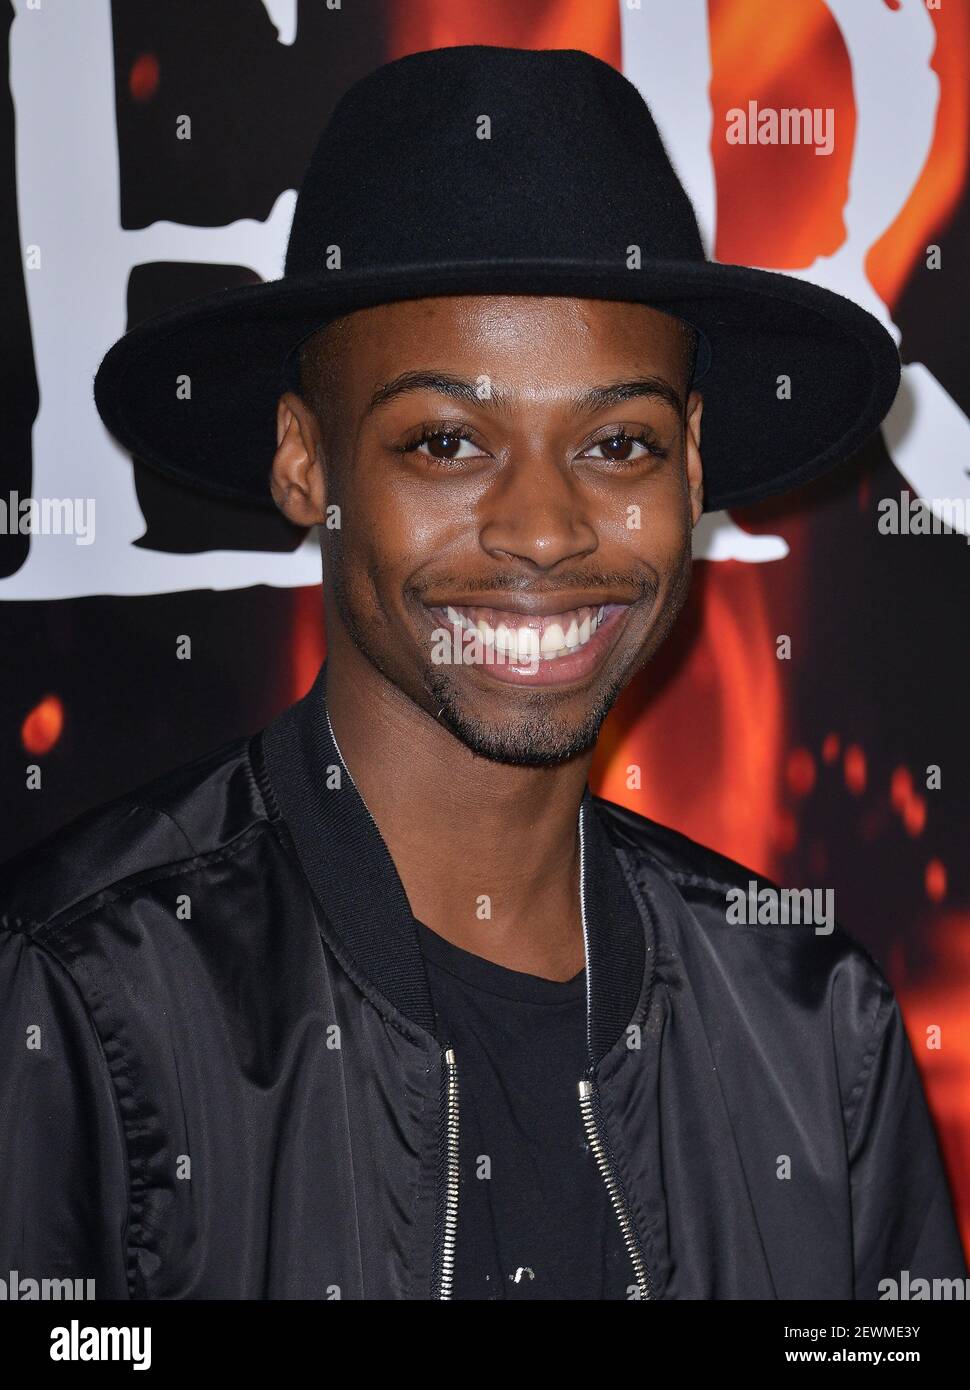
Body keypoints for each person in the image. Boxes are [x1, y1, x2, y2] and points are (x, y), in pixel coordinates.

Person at [1, 45, 964, 1301]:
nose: (546, 528)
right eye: (447, 440)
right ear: (306, 463)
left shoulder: (813, 1018)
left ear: (688, 476)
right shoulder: (80, 991)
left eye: (617, 442)